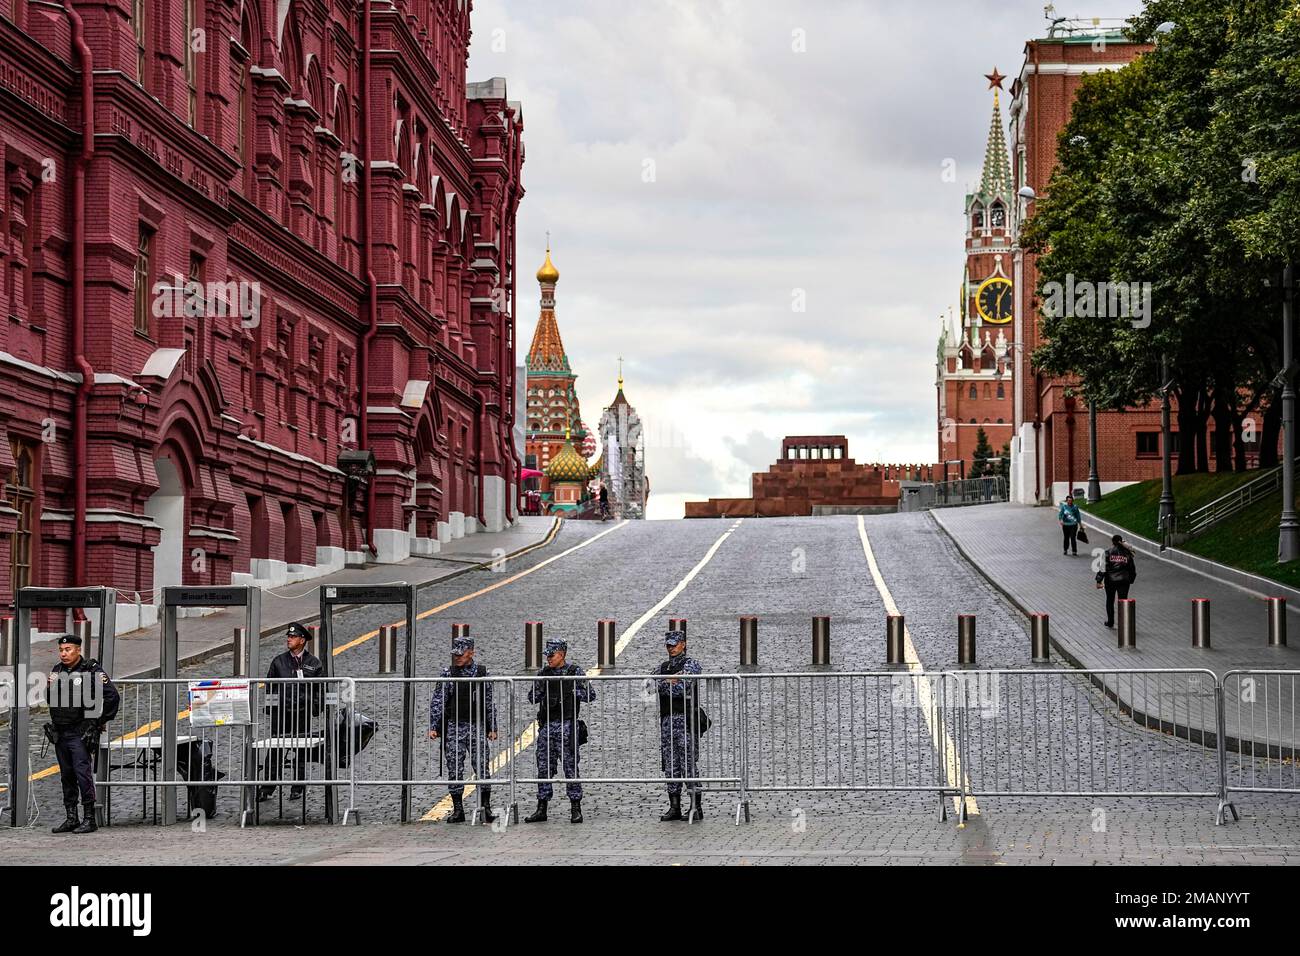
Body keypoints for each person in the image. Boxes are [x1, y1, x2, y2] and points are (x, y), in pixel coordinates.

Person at [46, 633, 119, 834]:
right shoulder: (57, 670)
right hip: (61, 732)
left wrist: (99, 721)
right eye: (61, 650)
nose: (63, 653)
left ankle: (89, 818)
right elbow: (52, 700)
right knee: (66, 776)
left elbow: (112, 696)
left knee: (82, 774)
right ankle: (71, 818)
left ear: (79, 650)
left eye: (68, 649)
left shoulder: (91, 669)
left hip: (80, 732)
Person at [428, 634, 498, 823]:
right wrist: (434, 726)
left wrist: (493, 727)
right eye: (455, 654)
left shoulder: (482, 673)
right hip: (454, 727)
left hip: (476, 726)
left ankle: (486, 808)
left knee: (482, 766)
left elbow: (489, 701)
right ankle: (458, 809)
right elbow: (438, 701)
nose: (457, 658)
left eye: (461, 654)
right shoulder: (448, 673)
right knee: (454, 768)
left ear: (471, 653)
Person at [524, 638, 594, 824]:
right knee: (544, 768)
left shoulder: (574, 672)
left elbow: (590, 694)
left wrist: (571, 690)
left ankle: (575, 808)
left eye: (551, 655)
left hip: (567, 727)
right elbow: (532, 697)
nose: (548, 658)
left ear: (561, 654)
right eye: (547, 655)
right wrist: (544, 687)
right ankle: (541, 808)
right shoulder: (544, 674)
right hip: (547, 727)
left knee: (570, 768)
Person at [258, 621, 324, 802]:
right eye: (288, 636)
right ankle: (267, 787)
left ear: (302, 640)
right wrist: (271, 709)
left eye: (293, 637)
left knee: (301, 751)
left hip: (302, 713)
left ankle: (298, 787)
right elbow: (270, 687)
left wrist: (315, 708)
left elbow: (319, 689)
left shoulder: (313, 663)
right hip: (282, 714)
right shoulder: (279, 662)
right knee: (275, 751)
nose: (289, 639)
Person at [654, 630, 705, 822]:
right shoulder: (663, 666)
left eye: (674, 644)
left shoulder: (691, 664)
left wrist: (665, 682)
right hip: (667, 722)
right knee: (671, 766)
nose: (671, 648)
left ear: (683, 644)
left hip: (686, 722)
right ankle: (674, 806)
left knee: (689, 765)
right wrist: (669, 679)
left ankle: (695, 806)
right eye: (668, 645)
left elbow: (681, 688)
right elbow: (647, 686)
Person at [1096, 533, 1138, 627]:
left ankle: (1110, 621)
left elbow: (1102, 568)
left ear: (1112, 542)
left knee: (1110, 601)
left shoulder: (1108, 552)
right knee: (1123, 601)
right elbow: (1132, 569)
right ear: (1121, 541)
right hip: (1124, 581)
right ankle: (1123, 623)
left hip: (1110, 581)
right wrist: (1130, 580)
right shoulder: (1127, 554)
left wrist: (1099, 580)